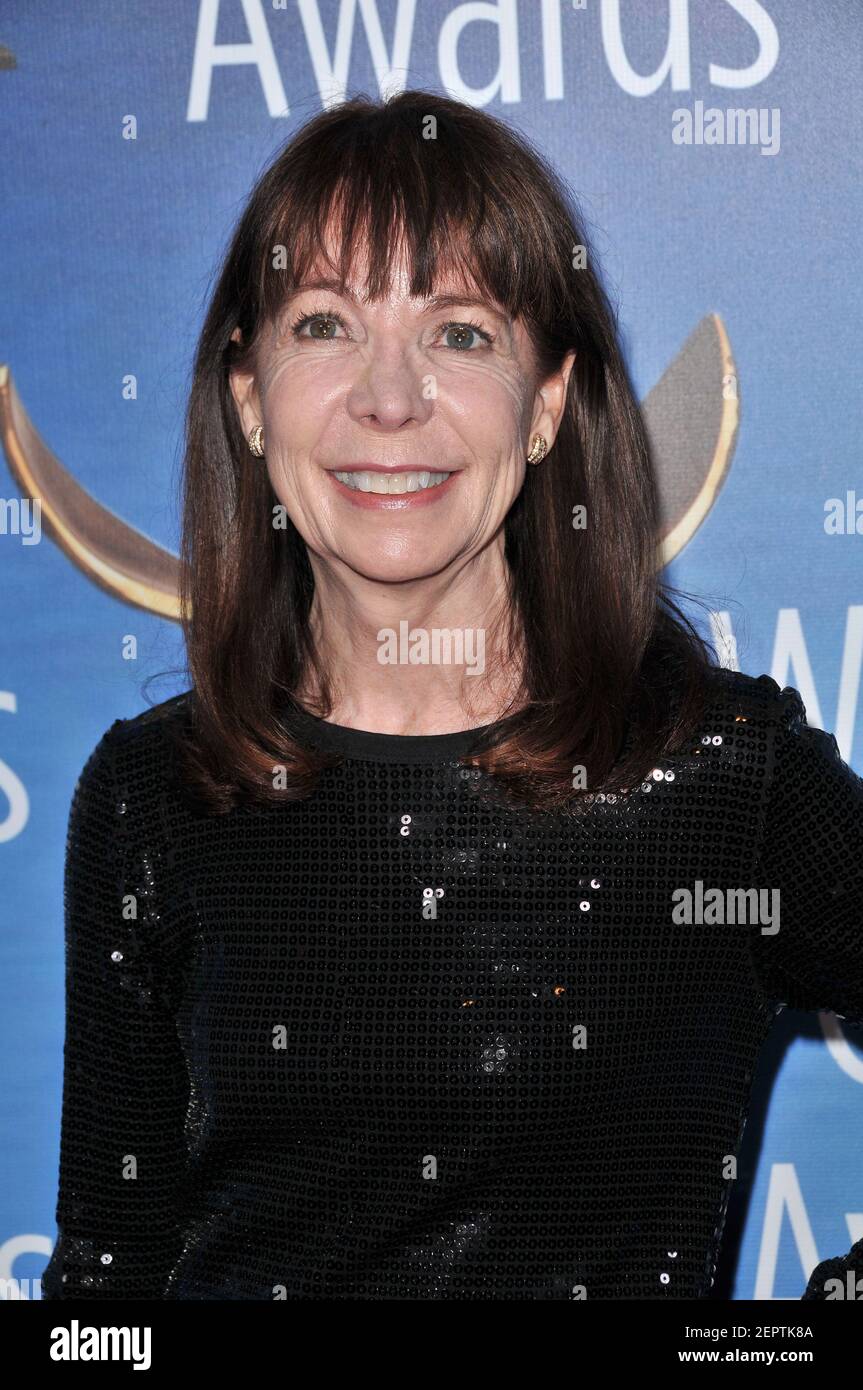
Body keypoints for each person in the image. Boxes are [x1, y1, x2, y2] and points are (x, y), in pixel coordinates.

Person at [42, 90, 863, 1301]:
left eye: (460, 333)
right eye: (323, 323)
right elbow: (104, 1290)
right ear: (249, 400)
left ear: (543, 409)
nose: (389, 397)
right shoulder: (155, 799)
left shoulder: (723, 777)